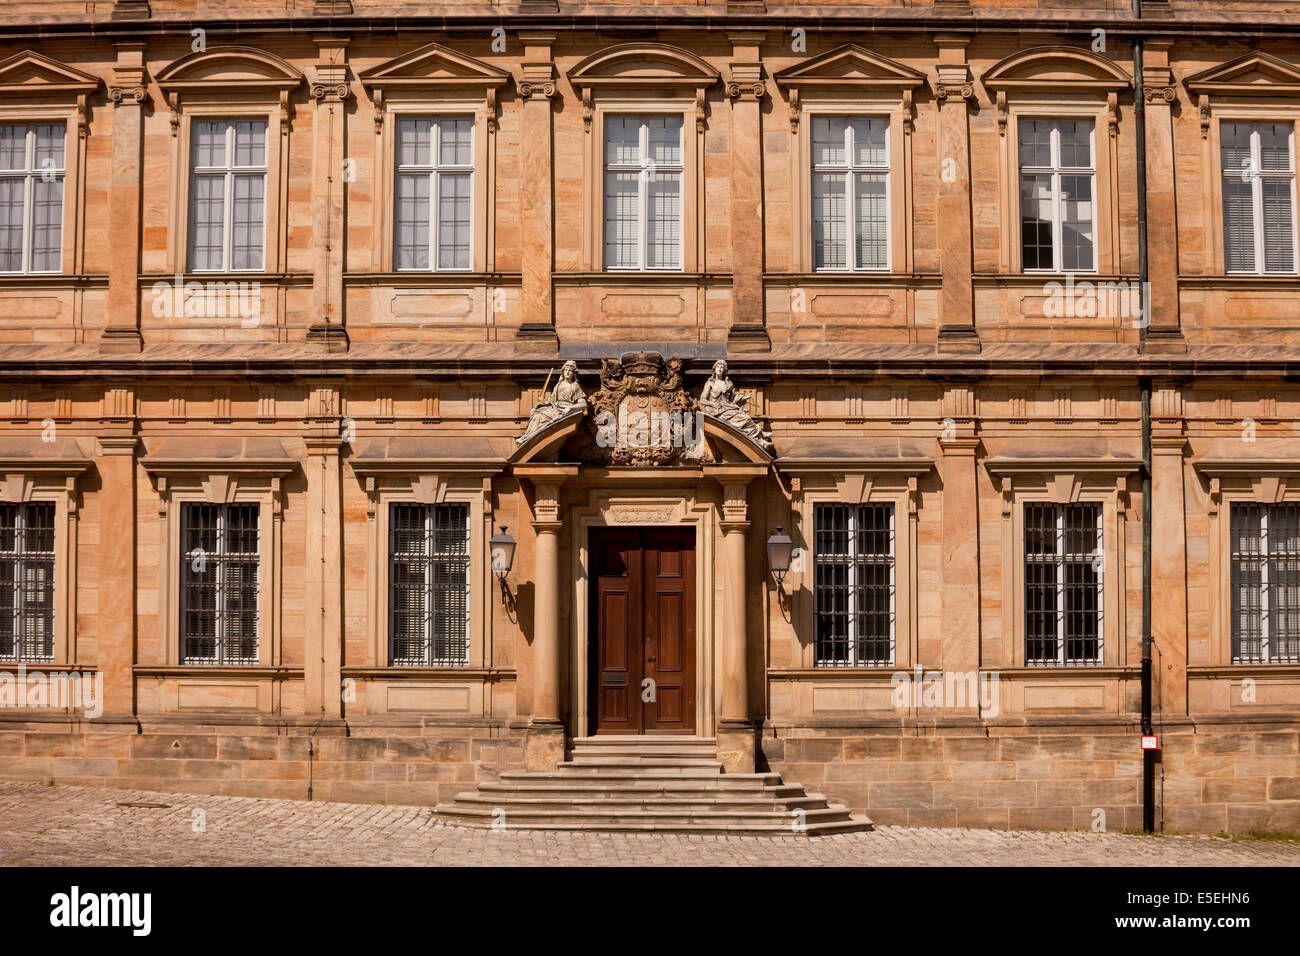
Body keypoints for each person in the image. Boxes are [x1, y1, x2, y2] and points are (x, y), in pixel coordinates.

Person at [517, 360, 587, 444]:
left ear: (574, 373)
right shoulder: (559, 385)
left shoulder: (575, 387)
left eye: (570, 370)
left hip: (563, 411)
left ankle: (528, 439)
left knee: (539, 417)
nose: (567, 372)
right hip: (555, 408)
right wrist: (542, 404)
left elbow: (583, 404)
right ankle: (527, 438)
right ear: (563, 371)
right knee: (536, 414)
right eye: (565, 370)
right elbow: (551, 400)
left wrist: (570, 407)